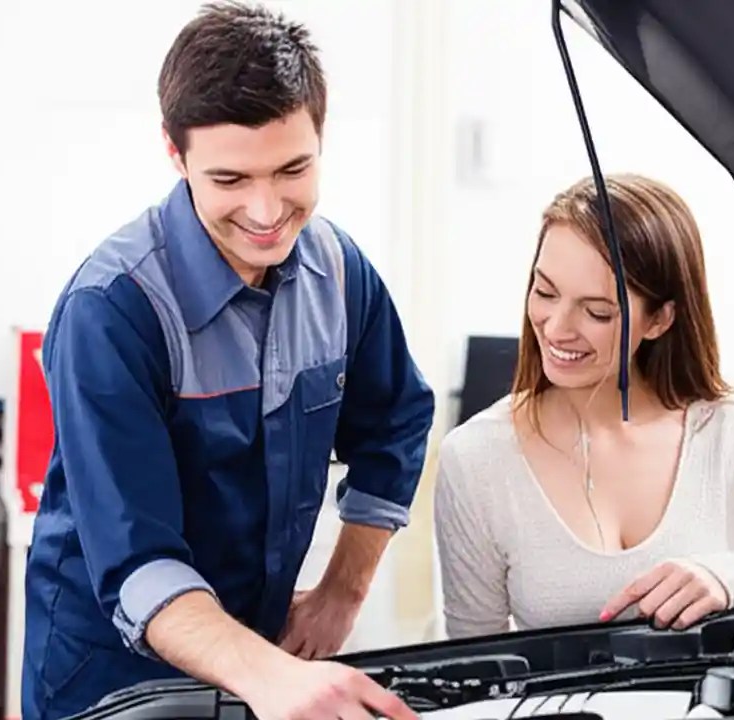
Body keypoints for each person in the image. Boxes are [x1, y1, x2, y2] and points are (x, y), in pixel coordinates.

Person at [22, 3, 434, 719]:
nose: (268, 210)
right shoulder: (111, 311)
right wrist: (269, 677)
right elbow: (139, 564)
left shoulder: (341, 273)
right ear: (174, 155)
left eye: (293, 168)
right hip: (112, 681)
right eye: (230, 180)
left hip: (261, 660)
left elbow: (394, 424)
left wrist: (342, 593)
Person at [434, 173, 734, 638]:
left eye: (597, 311)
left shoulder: (732, 426)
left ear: (660, 319)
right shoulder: (474, 458)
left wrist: (730, 577)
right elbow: (471, 664)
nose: (555, 328)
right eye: (545, 292)